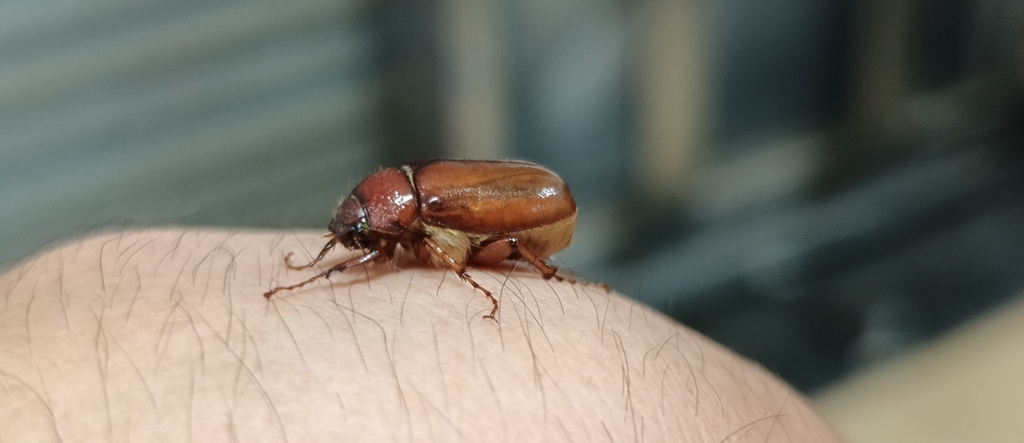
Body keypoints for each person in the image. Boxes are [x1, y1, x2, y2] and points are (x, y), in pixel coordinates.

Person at [0, 229, 845, 442]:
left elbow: (456, 247)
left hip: (523, 217)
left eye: (365, 234)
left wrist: (471, 278)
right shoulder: (394, 218)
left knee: (497, 256)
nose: (364, 245)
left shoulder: (434, 220)